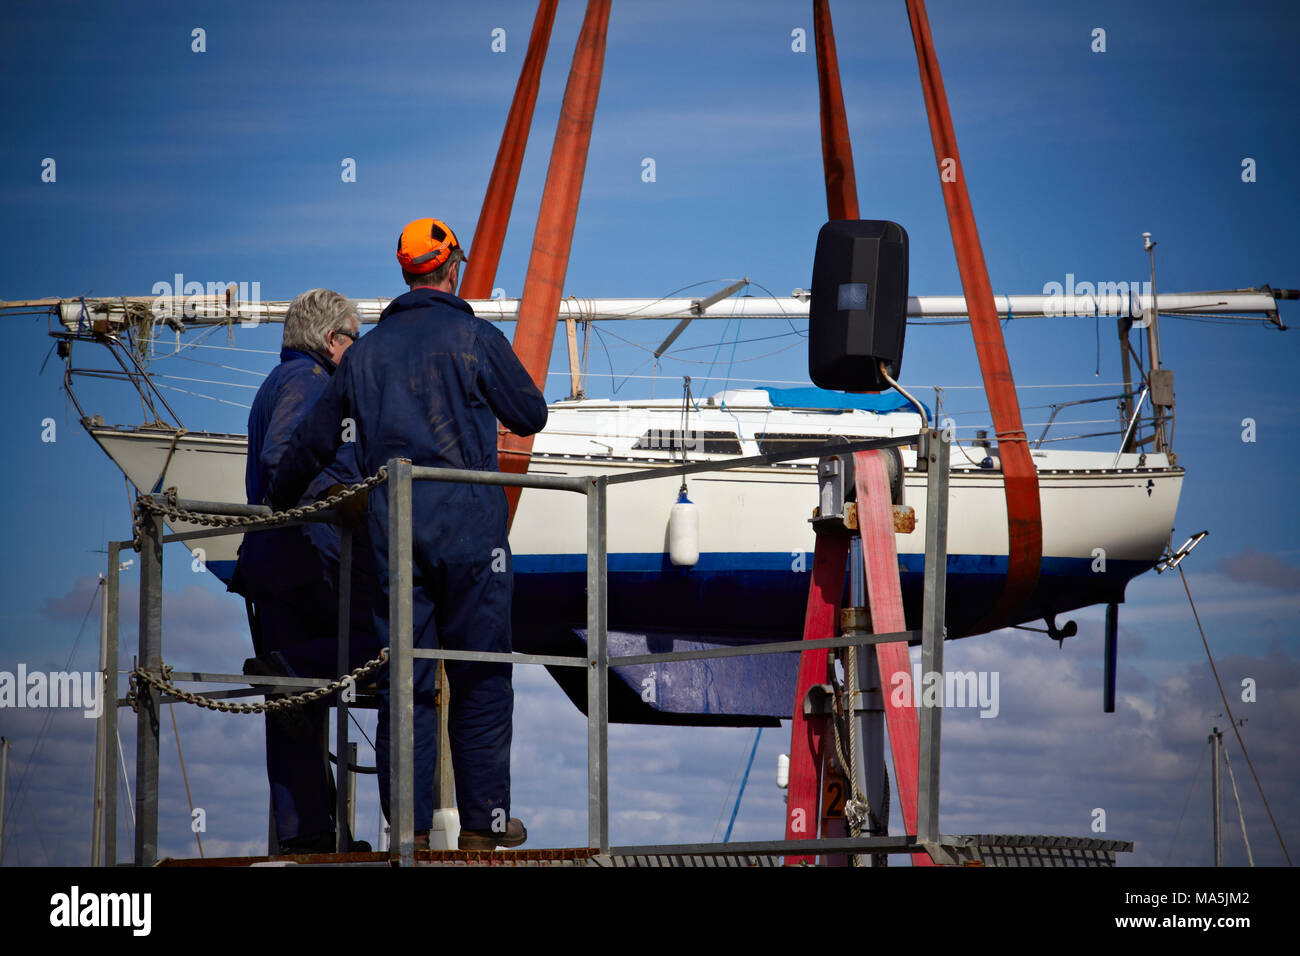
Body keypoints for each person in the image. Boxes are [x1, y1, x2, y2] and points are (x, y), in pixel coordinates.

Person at [266, 218, 548, 850]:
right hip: (474, 535)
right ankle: (483, 827)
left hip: (394, 535)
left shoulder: (363, 355)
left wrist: (280, 505)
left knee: (405, 681)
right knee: (481, 673)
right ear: (454, 268)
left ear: (405, 272)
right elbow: (530, 412)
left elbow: (310, 445)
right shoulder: (474, 337)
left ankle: (411, 836)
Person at [228, 287, 378, 853]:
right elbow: (282, 457)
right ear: (333, 342)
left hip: (274, 563)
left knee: (294, 704)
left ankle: (307, 834)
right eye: (355, 341)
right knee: (382, 646)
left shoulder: (279, 380)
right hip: (305, 560)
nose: (358, 352)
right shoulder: (309, 383)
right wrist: (345, 500)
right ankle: (312, 831)